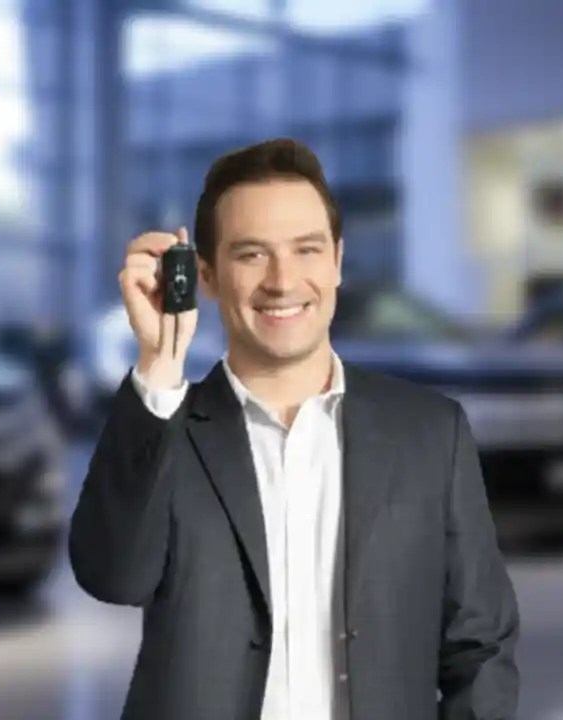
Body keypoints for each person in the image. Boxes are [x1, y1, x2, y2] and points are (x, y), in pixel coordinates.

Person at [69, 138, 519, 719]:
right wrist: (159, 363)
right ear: (205, 274)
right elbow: (113, 577)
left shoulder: (431, 433)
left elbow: (480, 645)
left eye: (306, 250)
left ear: (336, 260)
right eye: (252, 255)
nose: (283, 281)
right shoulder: (165, 429)